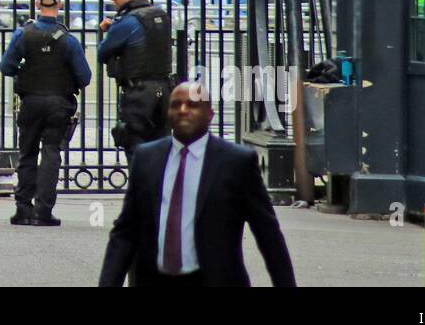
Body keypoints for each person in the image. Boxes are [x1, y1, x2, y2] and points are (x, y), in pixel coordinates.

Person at [98, 81, 296, 287]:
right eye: (176, 105)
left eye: (192, 105)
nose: (183, 110)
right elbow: (126, 231)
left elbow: (268, 234)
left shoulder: (236, 163)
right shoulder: (147, 158)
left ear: (209, 114)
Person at [0, 0, 91, 226]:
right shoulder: (68, 40)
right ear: (59, 4)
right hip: (59, 103)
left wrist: (25, 71)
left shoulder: (23, 34)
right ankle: (43, 211)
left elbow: (6, 66)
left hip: (30, 101)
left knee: (27, 153)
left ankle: (23, 209)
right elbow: (85, 77)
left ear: (37, 4)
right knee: (51, 154)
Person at [96, 0, 173, 160]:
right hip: (164, 90)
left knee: (136, 145)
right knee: (161, 146)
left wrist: (110, 31)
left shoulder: (127, 21)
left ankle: (141, 188)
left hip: (138, 93)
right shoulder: (160, 15)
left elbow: (102, 52)